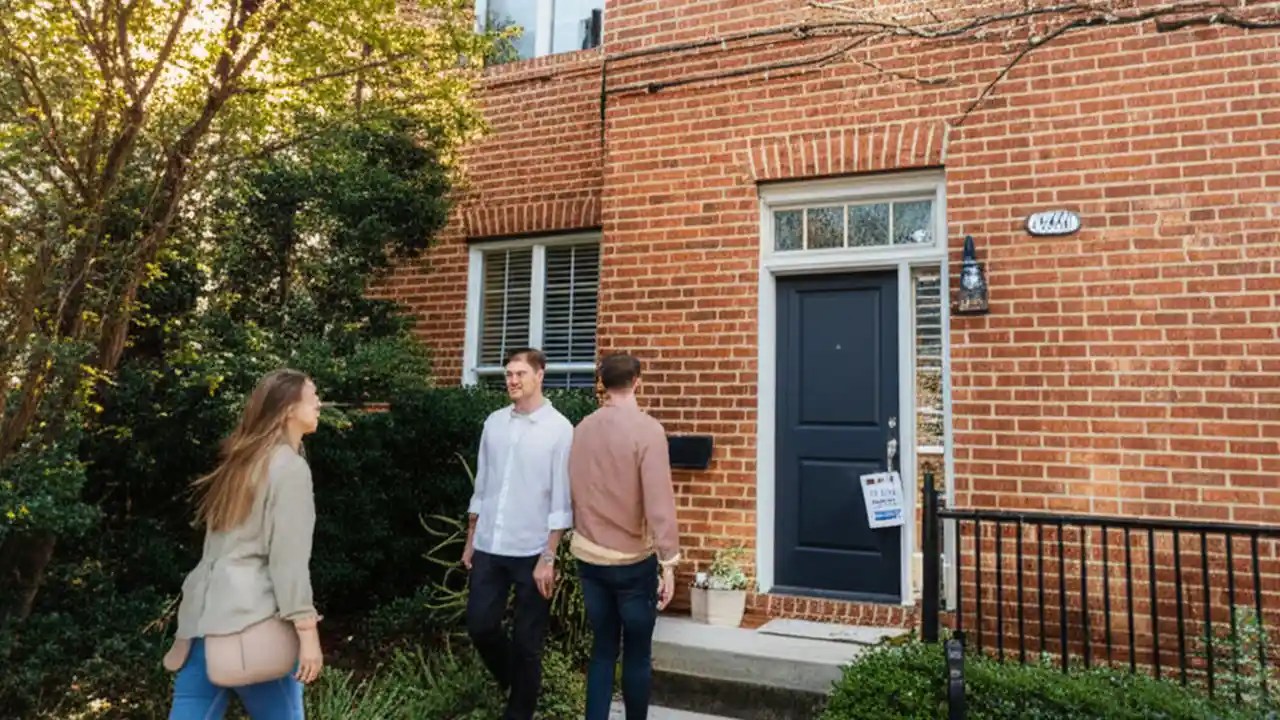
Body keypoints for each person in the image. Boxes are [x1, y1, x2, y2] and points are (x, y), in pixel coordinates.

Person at [164, 369, 324, 720]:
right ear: (287, 409)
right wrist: (307, 633)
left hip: (202, 623)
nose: (319, 404)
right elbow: (288, 561)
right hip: (253, 625)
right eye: (312, 397)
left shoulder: (237, 465)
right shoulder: (290, 470)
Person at [463, 348, 574, 720]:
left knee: (528, 643)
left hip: (532, 551)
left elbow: (561, 499)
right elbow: (482, 484)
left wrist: (549, 556)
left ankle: (520, 710)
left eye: (520, 374)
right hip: (490, 546)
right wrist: (470, 539)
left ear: (539, 375)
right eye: (508, 374)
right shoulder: (493, 423)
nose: (512, 380)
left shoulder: (560, 429)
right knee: (480, 625)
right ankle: (515, 680)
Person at [569, 353, 680, 720]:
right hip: (633, 562)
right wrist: (668, 562)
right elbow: (659, 501)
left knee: (602, 651)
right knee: (636, 653)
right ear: (637, 382)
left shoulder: (582, 428)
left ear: (602, 384)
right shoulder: (647, 431)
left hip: (589, 557)